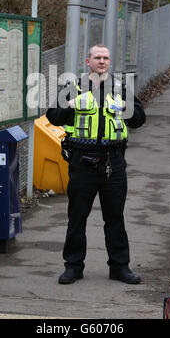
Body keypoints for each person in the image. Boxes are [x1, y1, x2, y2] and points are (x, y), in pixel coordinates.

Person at [46, 44, 146, 285]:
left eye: (106, 58)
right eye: (97, 57)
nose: (102, 61)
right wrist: (69, 105)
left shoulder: (122, 88)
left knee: (115, 218)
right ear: (87, 61)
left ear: (109, 62)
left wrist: (124, 108)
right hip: (82, 160)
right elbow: (52, 117)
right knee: (77, 218)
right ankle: (73, 267)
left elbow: (140, 119)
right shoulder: (72, 88)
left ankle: (120, 268)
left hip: (113, 162)